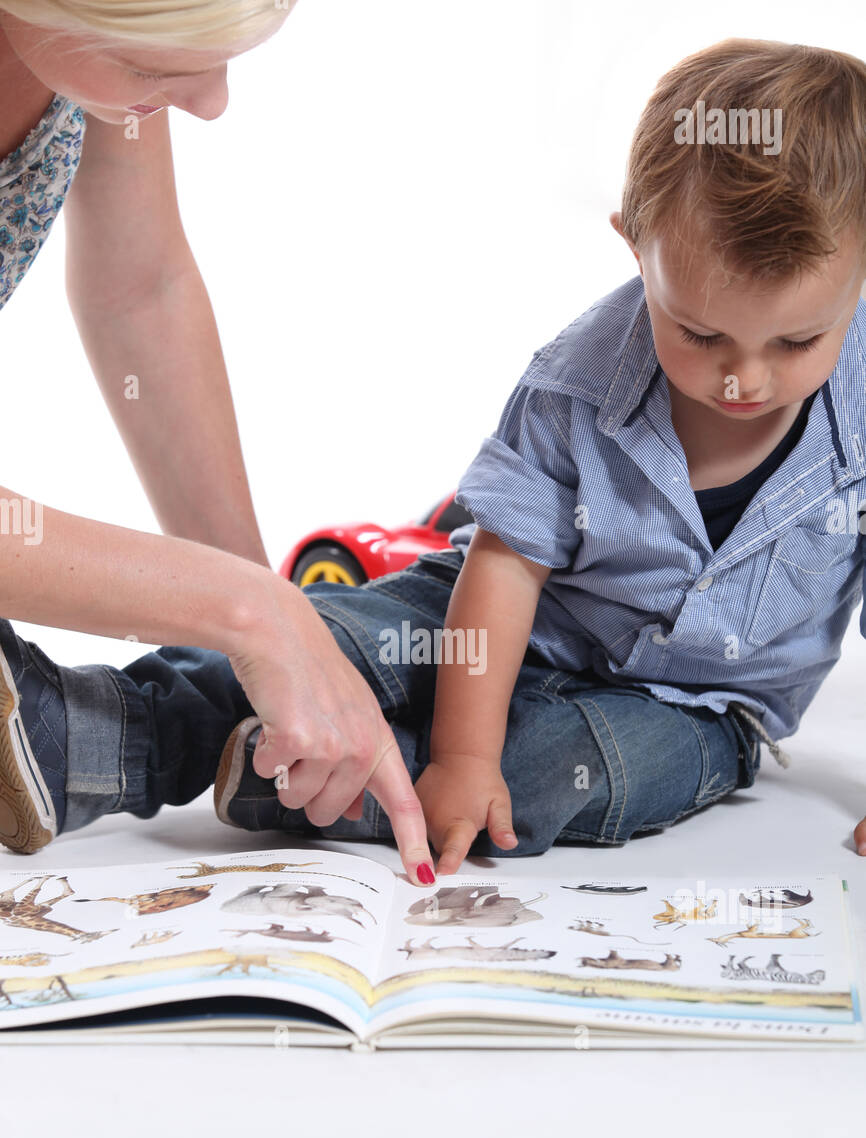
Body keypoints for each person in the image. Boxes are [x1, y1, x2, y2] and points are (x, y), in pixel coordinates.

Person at [7, 38, 866, 873]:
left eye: (798, 340)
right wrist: (460, 752)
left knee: (557, 771)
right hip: (499, 623)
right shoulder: (576, 384)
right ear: (635, 247)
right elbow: (504, 571)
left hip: (698, 709)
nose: (744, 379)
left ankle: (327, 784)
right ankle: (82, 735)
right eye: (701, 333)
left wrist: (475, 769)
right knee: (329, 636)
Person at [0, 0, 435, 884]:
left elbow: (141, 289)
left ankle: (90, 731)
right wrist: (247, 611)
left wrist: (268, 644)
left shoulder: (76, 43)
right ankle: (84, 735)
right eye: (162, 69)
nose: (214, 104)